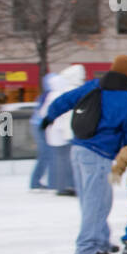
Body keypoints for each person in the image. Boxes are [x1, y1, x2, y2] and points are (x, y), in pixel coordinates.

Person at [41, 56, 127, 254]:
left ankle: (101, 242)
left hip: (78, 148)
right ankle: (87, 249)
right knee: (96, 201)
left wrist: (49, 117)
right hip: (100, 154)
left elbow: (64, 101)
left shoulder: (93, 86)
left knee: (92, 200)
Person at [42, 65, 86, 196]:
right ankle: (68, 185)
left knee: (63, 160)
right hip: (68, 132)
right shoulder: (69, 92)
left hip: (65, 132)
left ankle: (65, 185)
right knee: (68, 161)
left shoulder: (60, 92)